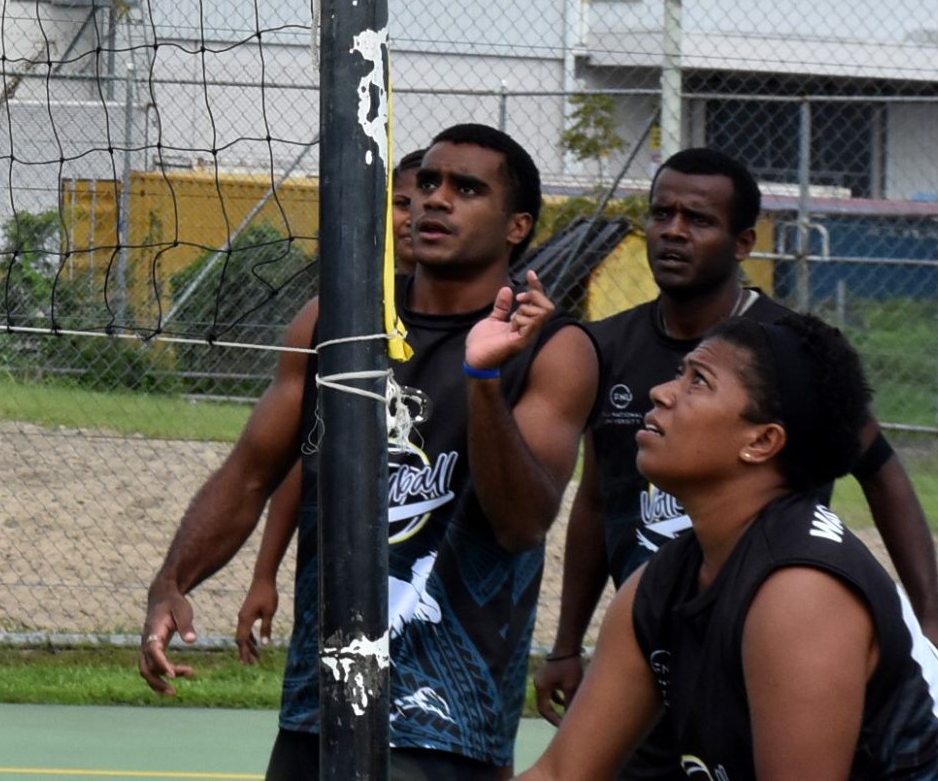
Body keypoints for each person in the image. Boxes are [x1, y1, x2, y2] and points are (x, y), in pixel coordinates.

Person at [141, 123, 598, 781]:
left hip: (446, 720)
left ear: (516, 226)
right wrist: (172, 580)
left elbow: (521, 521)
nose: (434, 201)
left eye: (466, 188)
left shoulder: (555, 347)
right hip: (319, 700)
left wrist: (483, 379)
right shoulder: (334, 323)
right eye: (428, 184)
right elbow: (249, 473)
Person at [536, 146, 938, 740]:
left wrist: (932, 619)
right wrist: (564, 645)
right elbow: (599, 499)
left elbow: (883, 472)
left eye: (699, 220)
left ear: (742, 243)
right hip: (654, 644)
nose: (673, 232)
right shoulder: (605, 347)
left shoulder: (792, 354)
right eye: (662, 214)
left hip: (764, 642)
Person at [517, 311, 938, 781]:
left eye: (699, 382)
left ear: (762, 441)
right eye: (678, 374)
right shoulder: (664, 582)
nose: (661, 392)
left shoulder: (800, 591)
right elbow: (562, 772)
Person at [234, 147, 424, 664]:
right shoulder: (329, 318)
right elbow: (302, 464)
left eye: (422, 201)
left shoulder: (487, 331)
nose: (414, 215)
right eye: (401, 201)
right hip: (335, 594)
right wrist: (264, 574)